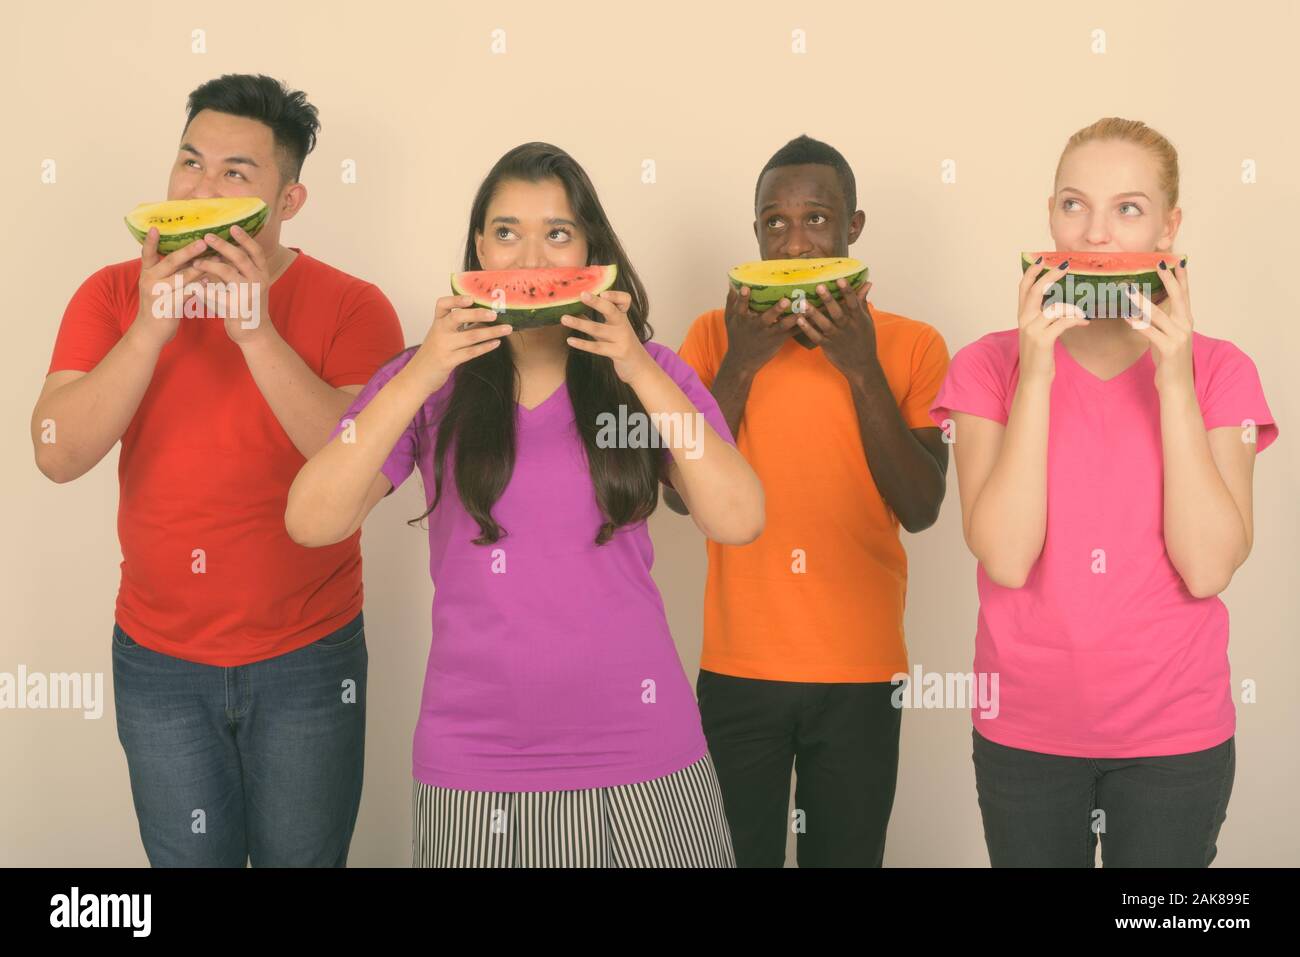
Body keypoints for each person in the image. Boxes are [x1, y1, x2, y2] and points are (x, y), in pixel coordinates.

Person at [286, 142, 763, 868]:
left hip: (645, 749)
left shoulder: (647, 373)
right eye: (506, 232)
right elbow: (311, 518)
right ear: (477, 247)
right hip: (476, 765)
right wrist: (422, 371)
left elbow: (739, 517)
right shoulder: (424, 381)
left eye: (558, 233)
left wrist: (633, 361)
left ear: (590, 248)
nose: (530, 258)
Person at [30, 74, 405, 866]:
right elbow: (56, 451)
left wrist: (256, 336)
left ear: (289, 200)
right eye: (190, 162)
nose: (201, 189)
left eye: (236, 174)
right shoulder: (109, 295)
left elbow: (354, 462)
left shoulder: (354, 306)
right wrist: (148, 332)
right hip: (158, 661)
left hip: (311, 656)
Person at [928, 117, 1279, 867]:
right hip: (1023, 733)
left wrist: (1175, 381)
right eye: (1072, 205)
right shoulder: (987, 366)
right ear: (1048, 212)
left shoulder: (1223, 372)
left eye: (1127, 208)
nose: (1094, 235)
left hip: (1175, 738)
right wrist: (1039, 370)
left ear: (1170, 225)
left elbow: (1209, 566)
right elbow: (1007, 555)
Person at [668, 135, 951, 867]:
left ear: (854, 227)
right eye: (774, 223)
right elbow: (674, 493)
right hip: (737, 668)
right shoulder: (711, 335)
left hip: (862, 670)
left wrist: (859, 369)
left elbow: (921, 505)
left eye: (817, 220)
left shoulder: (915, 344)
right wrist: (740, 363)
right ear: (755, 233)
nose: (795, 239)